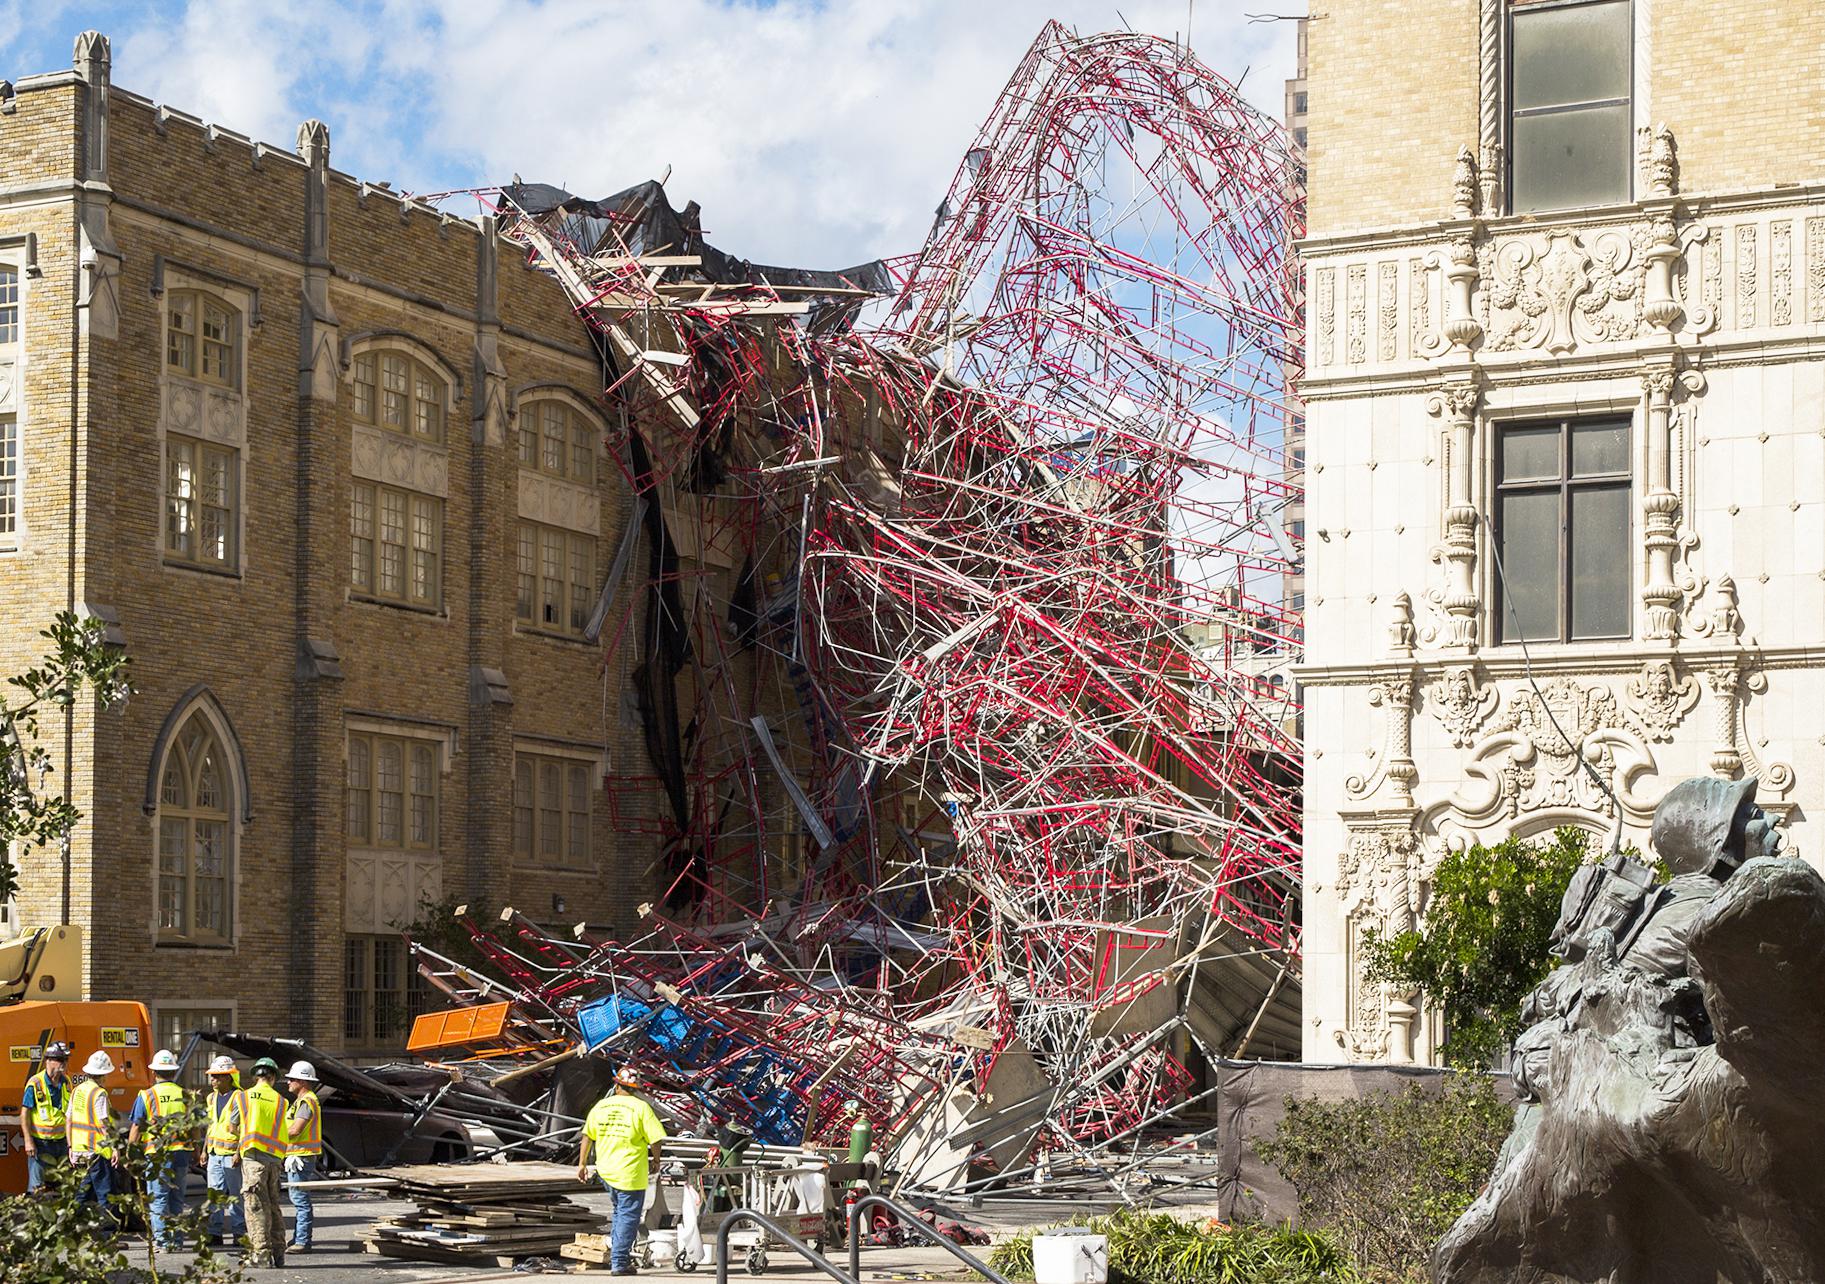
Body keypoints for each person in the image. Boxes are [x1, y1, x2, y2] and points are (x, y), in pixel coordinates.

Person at [578, 1066, 667, 1276]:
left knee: (619, 1212)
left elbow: (587, 1136)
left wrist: (582, 1164)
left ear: (617, 1085)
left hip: (606, 1171)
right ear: (635, 1089)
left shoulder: (601, 1106)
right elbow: (656, 1139)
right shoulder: (641, 1108)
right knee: (628, 1216)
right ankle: (619, 1262)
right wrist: (656, 1160)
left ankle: (619, 1256)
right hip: (630, 1172)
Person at [128, 1049, 197, 1249]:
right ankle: (177, 1240)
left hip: (158, 1154)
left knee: (158, 1198)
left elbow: (137, 1127)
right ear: (174, 1072)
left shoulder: (147, 1095)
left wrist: (131, 1153)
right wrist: (196, 1150)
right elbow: (194, 1127)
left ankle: (163, 1242)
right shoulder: (185, 1095)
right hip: (181, 1153)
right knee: (177, 1198)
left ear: (154, 1072)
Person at [238, 1057, 289, 1269]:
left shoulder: (244, 1097)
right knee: (274, 1206)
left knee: (256, 1207)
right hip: (274, 1160)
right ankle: (279, 1252)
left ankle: (260, 1254)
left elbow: (232, 1126)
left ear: (255, 1076)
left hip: (253, 1159)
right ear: (273, 1077)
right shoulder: (281, 1101)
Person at [66, 1050, 118, 1220]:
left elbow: (68, 1120)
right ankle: (107, 1231)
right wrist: (114, 1147)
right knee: (105, 1195)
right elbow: (103, 1124)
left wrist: (70, 1147)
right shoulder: (99, 1093)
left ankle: (72, 1226)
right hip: (97, 1151)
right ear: (103, 1075)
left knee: (83, 1194)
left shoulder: (77, 1090)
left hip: (79, 1151)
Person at [203, 1055, 248, 1246]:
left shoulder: (240, 1097)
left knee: (235, 1195)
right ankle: (214, 1232)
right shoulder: (211, 1098)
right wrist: (204, 1150)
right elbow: (210, 1125)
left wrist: (239, 1152)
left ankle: (239, 1232)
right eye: (212, 1076)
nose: (212, 1079)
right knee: (215, 1194)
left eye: (216, 1076)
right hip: (214, 1153)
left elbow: (245, 1128)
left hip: (231, 1154)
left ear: (228, 1077)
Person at [19, 1041, 74, 1192]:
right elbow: (24, 1114)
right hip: (41, 1144)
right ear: (48, 1061)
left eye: (65, 1060)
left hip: (61, 1143)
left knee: (62, 1186)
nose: (64, 1063)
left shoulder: (66, 1082)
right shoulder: (35, 1083)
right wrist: (28, 1141)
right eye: (60, 1059)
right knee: (37, 1188)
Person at [280, 1060, 322, 1254]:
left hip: (301, 1156)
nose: (288, 1082)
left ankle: (303, 1241)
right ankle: (299, 1238)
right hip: (299, 1155)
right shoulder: (302, 1101)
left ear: (303, 1082)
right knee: (298, 1198)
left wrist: (274, 1134)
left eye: (292, 1079)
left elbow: (295, 1130)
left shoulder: (306, 1102)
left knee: (300, 1199)